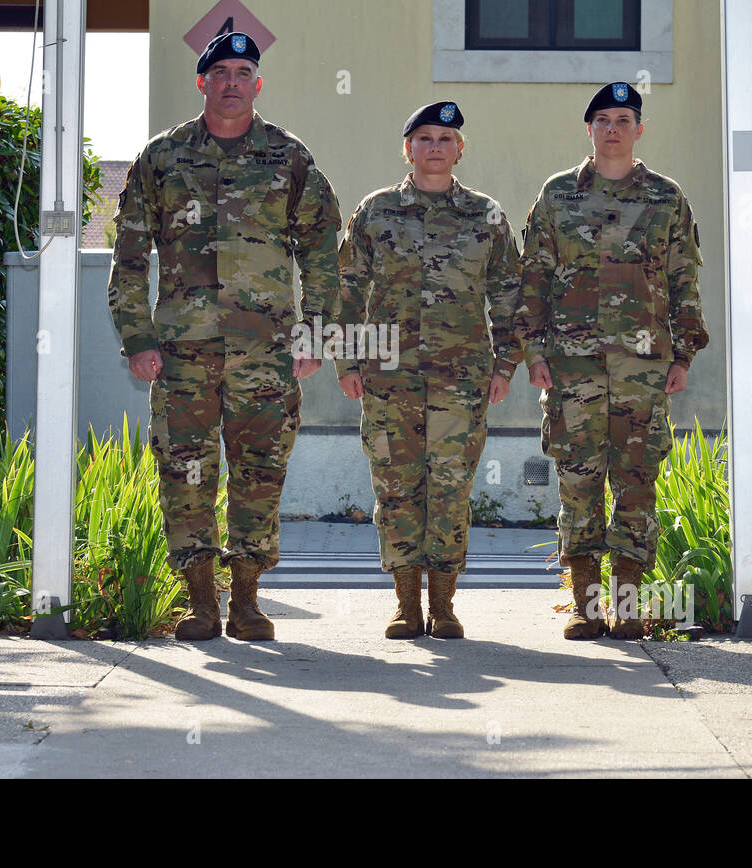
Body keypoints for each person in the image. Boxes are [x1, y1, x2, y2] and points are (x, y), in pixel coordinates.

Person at [108, 31, 340, 642]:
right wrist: (137, 339)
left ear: (257, 84)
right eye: (221, 72)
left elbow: (321, 251)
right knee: (185, 472)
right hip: (182, 353)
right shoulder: (162, 159)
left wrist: (314, 334)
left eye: (244, 71)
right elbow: (129, 256)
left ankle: (247, 600)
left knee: (259, 473)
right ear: (202, 81)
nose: (233, 81)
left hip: (266, 353)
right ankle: (200, 603)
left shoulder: (288, 158)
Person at [516, 82, 708, 640]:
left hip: (645, 366)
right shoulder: (557, 196)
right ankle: (585, 606)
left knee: (637, 482)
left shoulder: (666, 198)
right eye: (603, 119)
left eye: (623, 119)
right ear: (590, 130)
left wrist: (685, 353)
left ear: (639, 129)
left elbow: (684, 280)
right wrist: (533, 352)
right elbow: (534, 279)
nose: (613, 129)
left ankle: (625, 605)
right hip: (573, 368)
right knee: (578, 483)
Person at [336, 101, 521, 639]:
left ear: (460, 149)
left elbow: (509, 294)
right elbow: (347, 288)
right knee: (396, 487)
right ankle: (405, 603)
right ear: (408, 149)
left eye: (445, 137)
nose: (435, 146)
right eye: (424, 138)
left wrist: (505, 364)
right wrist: (348, 360)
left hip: (460, 377)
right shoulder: (375, 211)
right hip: (388, 374)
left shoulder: (486, 215)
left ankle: (444, 604)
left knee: (450, 487)